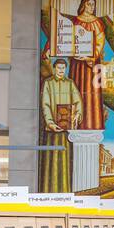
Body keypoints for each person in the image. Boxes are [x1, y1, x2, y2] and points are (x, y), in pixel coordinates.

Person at [38, 59, 82, 192]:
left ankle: (65, 190)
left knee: (65, 162)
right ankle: (49, 191)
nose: (61, 70)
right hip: (51, 131)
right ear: (54, 68)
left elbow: (78, 101)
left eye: (63, 68)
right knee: (51, 161)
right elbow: (45, 104)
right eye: (59, 68)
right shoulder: (48, 83)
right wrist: (50, 123)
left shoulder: (70, 84)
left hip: (66, 131)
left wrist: (77, 115)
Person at [68, 0, 106, 130]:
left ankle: (92, 124)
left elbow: (100, 43)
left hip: (92, 65)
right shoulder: (75, 22)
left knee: (92, 94)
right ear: (83, 5)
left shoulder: (98, 23)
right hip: (77, 64)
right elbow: (68, 39)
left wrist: (90, 57)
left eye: (93, 5)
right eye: (89, 4)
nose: (92, 7)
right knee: (76, 89)